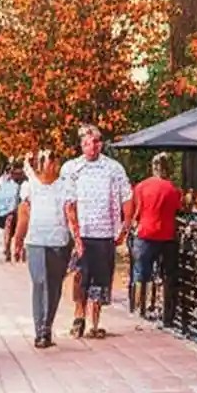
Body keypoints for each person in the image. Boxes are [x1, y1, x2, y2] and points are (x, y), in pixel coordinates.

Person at [62, 124, 134, 339]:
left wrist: (125, 226)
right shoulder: (72, 168)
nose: (91, 147)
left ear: (100, 143)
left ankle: (95, 322)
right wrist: (75, 234)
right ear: (81, 145)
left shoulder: (114, 169)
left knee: (101, 280)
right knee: (80, 276)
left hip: (105, 234)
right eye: (86, 143)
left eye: (94, 142)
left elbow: (127, 197)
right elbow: (69, 203)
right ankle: (78, 316)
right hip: (83, 233)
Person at [13, 150, 75, 349]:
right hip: (36, 241)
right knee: (40, 283)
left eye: (54, 159)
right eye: (47, 160)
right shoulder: (29, 186)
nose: (51, 164)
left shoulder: (66, 185)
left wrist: (77, 239)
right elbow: (23, 215)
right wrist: (18, 240)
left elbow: (71, 214)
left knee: (54, 285)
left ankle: (46, 326)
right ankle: (40, 330)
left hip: (59, 242)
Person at [130, 153, 182, 327]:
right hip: (167, 235)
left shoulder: (141, 187)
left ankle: (140, 309)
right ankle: (167, 315)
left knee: (140, 273)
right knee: (168, 275)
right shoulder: (173, 189)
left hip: (145, 233)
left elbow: (136, 211)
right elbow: (177, 210)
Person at [0, 163, 24, 263]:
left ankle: (16, 251)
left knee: (16, 232)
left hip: (20, 211)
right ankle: (8, 250)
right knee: (9, 230)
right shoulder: (7, 184)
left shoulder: (23, 183)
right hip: (11, 212)